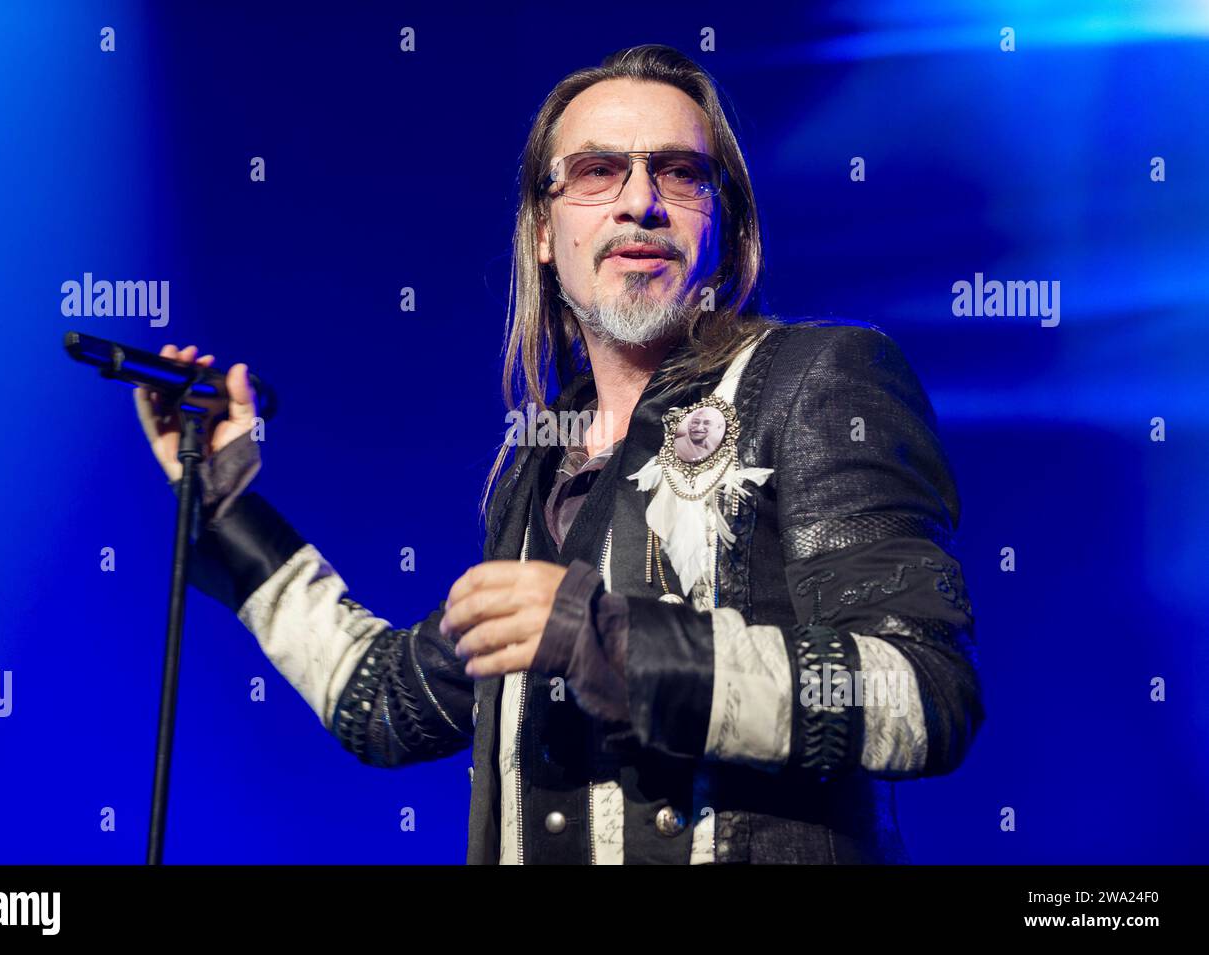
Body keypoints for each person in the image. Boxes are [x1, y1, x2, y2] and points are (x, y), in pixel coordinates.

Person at [134, 44, 983, 865]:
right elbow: (387, 703)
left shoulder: (815, 378)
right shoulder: (537, 465)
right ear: (545, 233)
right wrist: (224, 503)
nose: (640, 203)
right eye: (597, 171)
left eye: (681, 173)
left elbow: (919, 689)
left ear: (725, 223)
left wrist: (609, 641)